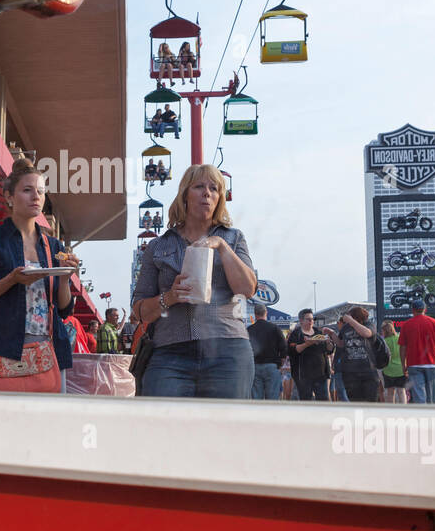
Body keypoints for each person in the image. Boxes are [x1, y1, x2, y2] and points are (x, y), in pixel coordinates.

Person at [130, 164, 258, 398]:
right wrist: (169, 297)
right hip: (170, 352)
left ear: (219, 198)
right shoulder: (158, 246)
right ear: (185, 195)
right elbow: (139, 312)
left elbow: (247, 288)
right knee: (165, 426)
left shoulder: (233, 237)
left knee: (226, 428)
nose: (207, 193)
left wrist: (221, 246)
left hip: (227, 349)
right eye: (199, 186)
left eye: (214, 188)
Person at [0, 158, 80, 392]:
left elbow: (64, 309)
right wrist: (11, 280)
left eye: (40, 191)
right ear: (9, 196)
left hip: (47, 349)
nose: (36, 197)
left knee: (46, 425)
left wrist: (67, 276)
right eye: (27, 190)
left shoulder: (54, 246)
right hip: (1, 348)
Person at [397, 297, 435, 404]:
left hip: (414, 364)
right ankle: (431, 416)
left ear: (413, 310)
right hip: (432, 364)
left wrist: (403, 364)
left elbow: (402, 348)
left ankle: (422, 416)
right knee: (431, 396)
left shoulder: (406, 325)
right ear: (425, 309)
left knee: (419, 395)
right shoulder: (434, 323)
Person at [324, 307, 381, 403]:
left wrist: (351, 321)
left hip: (368, 371)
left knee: (370, 403)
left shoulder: (368, 324)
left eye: (351, 315)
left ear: (356, 316)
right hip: (351, 373)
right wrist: (332, 333)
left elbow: (367, 333)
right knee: (355, 402)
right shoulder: (346, 328)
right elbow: (341, 343)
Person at [287, 309, 332, 402]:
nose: (311, 321)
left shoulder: (318, 333)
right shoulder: (296, 334)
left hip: (321, 374)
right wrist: (307, 344)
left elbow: (329, 351)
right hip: (303, 375)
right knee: (306, 402)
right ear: (301, 320)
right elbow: (293, 351)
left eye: (312, 319)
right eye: (308, 319)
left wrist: (328, 343)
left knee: (324, 401)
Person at [248, 303, 288, 400]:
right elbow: (284, 347)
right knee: (272, 400)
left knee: (257, 399)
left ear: (255, 314)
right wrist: (280, 362)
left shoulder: (249, 330)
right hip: (272, 366)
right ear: (266, 313)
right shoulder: (275, 328)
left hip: (255, 366)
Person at [380, 321, 408, 403]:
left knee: (390, 392)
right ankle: (404, 411)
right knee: (401, 392)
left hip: (388, 370)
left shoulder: (384, 342)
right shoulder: (400, 338)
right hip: (400, 369)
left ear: (385, 331)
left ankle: (391, 411)